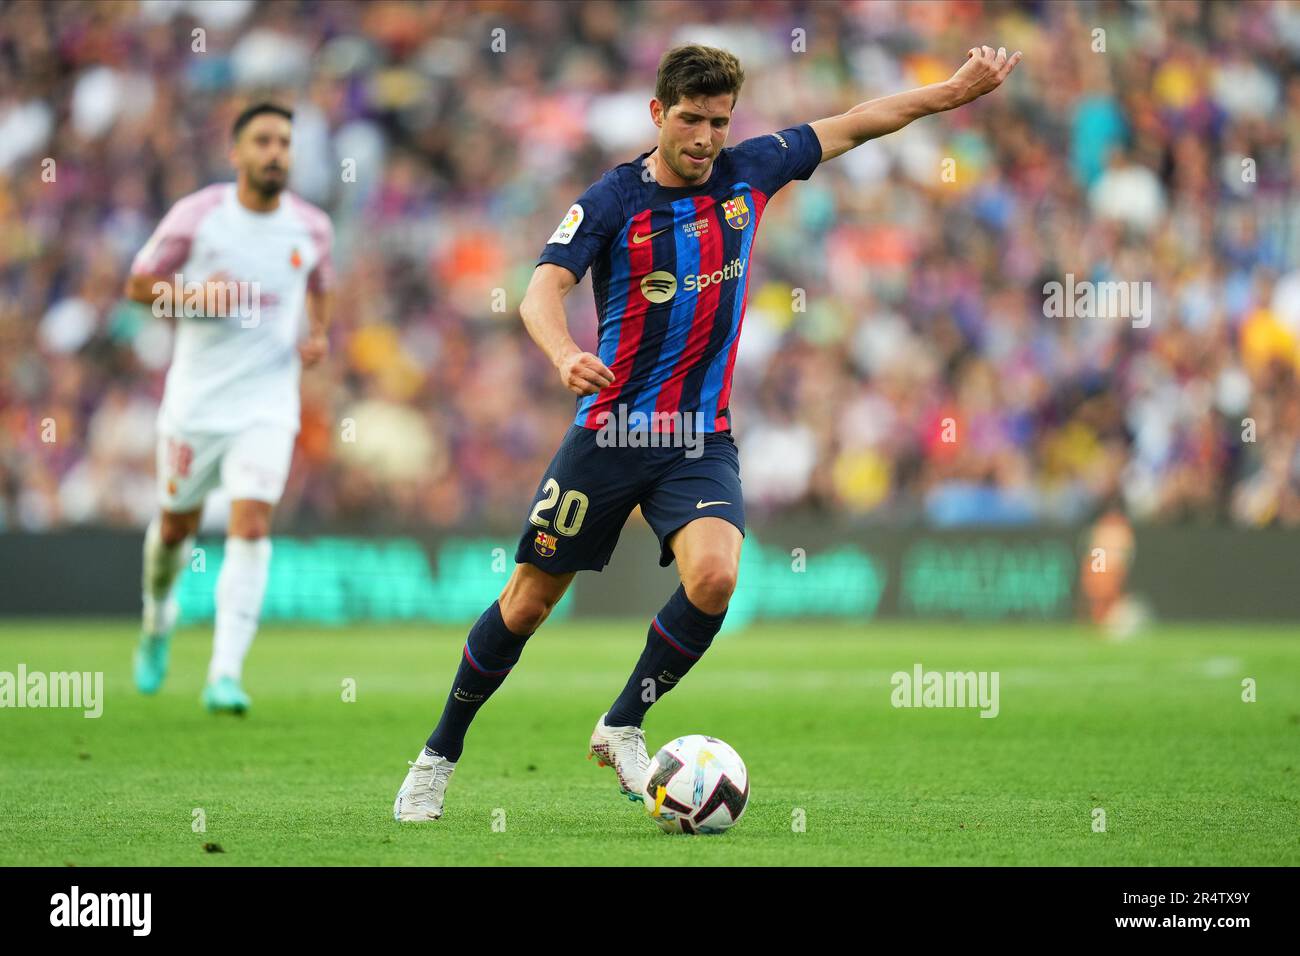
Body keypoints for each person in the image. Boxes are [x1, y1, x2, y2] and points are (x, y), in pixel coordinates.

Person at [394, 42, 1021, 820]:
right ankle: (438, 753)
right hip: (610, 434)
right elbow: (540, 290)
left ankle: (623, 722)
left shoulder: (751, 170)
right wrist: (563, 354)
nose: (704, 138)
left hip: (700, 436)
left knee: (717, 578)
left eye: (718, 122)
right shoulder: (611, 201)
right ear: (658, 114)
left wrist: (951, 94)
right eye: (690, 119)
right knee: (525, 603)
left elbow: (858, 122)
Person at [124, 102, 334, 713]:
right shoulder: (198, 216)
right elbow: (139, 286)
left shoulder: (311, 226)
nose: (275, 152)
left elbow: (322, 286)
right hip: (197, 404)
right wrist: (190, 296)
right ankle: (156, 620)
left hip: (268, 404)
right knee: (175, 527)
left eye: (284, 142)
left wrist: (317, 333)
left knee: (251, 523)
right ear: (237, 153)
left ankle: (224, 673)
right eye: (263, 141)